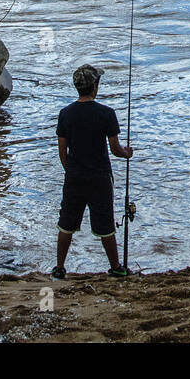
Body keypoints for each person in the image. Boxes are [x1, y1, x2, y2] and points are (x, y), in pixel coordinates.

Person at [52, 63, 134, 280]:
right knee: (106, 225)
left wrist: (69, 170)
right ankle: (116, 267)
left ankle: (59, 268)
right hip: (99, 178)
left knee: (66, 223)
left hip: (74, 177)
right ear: (95, 86)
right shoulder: (106, 114)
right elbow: (115, 149)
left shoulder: (65, 114)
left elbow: (62, 149)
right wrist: (128, 153)